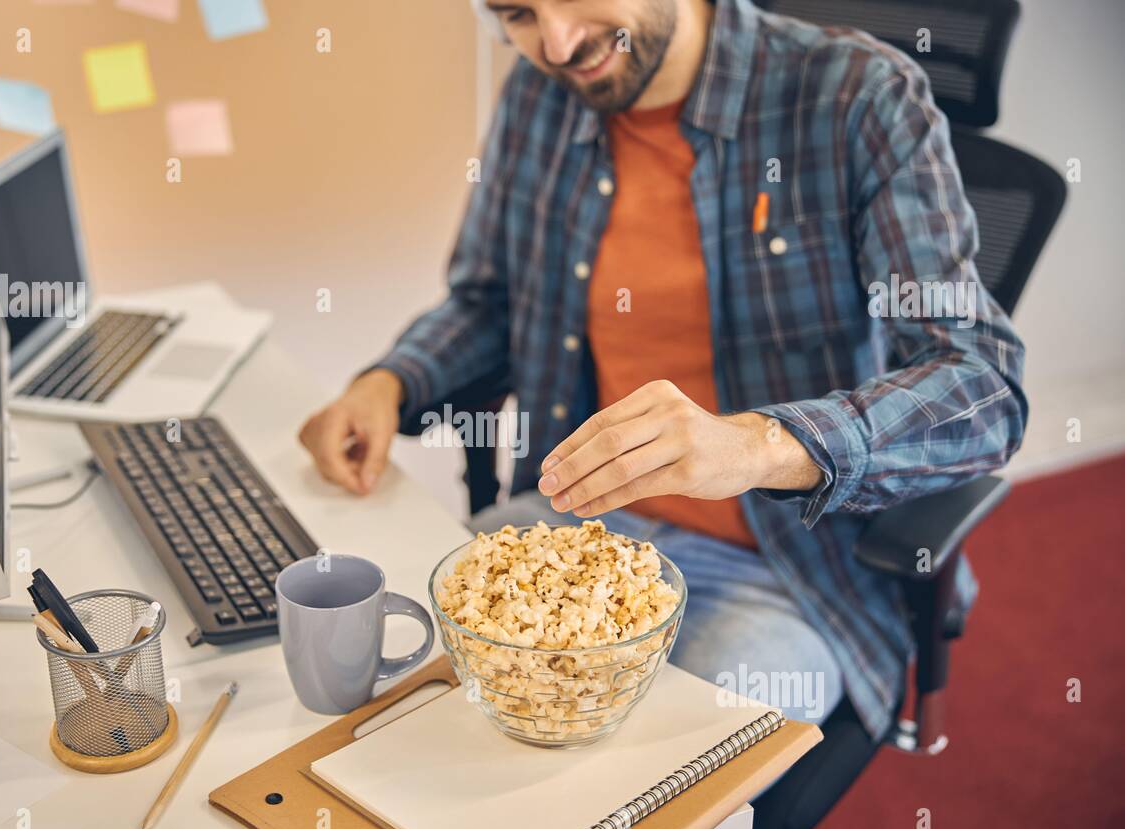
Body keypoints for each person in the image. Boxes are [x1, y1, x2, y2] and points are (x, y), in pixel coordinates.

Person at [297, 0, 1026, 740]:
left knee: (632, 782)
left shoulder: (858, 94)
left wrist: (759, 445)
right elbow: (492, 306)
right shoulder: (539, 95)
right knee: (395, 701)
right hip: (577, 533)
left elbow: (982, 385)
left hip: (789, 575)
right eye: (516, 13)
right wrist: (389, 383)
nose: (556, 42)